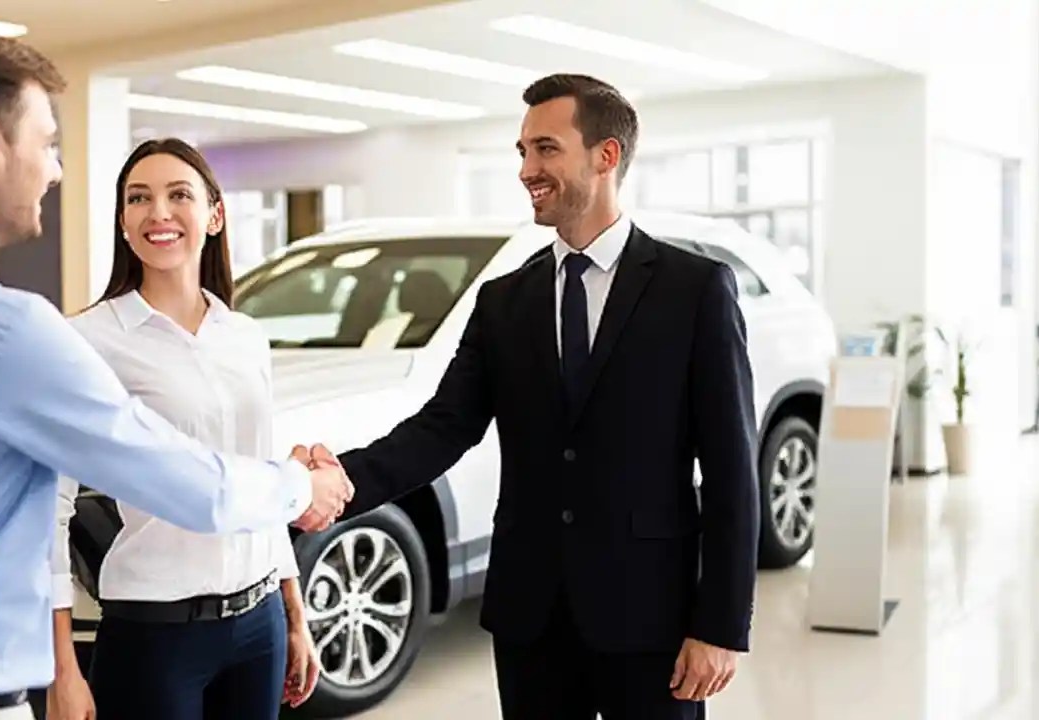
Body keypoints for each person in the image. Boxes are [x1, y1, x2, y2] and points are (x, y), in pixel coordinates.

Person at [0, 23, 348, 719]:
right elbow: (196, 490)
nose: (55, 170)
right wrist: (303, 483)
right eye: (45, 142)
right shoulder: (10, 332)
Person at [301, 73, 760, 719]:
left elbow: (733, 469)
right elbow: (443, 427)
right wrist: (338, 480)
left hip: (650, 615)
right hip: (530, 614)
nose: (527, 170)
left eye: (546, 149)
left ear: (606, 156)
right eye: (522, 152)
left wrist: (720, 625)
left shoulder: (695, 290)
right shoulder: (503, 300)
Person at [46, 139, 320, 720]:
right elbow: (49, 508)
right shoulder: (88, 339)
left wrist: (295, 614)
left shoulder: (244, 334)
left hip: (259, 626)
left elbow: (260, 479)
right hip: (154, 635)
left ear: (215, 215)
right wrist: (61, 667)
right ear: (123, 223)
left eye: (179, 195)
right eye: (138, 198)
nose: (158, 213)